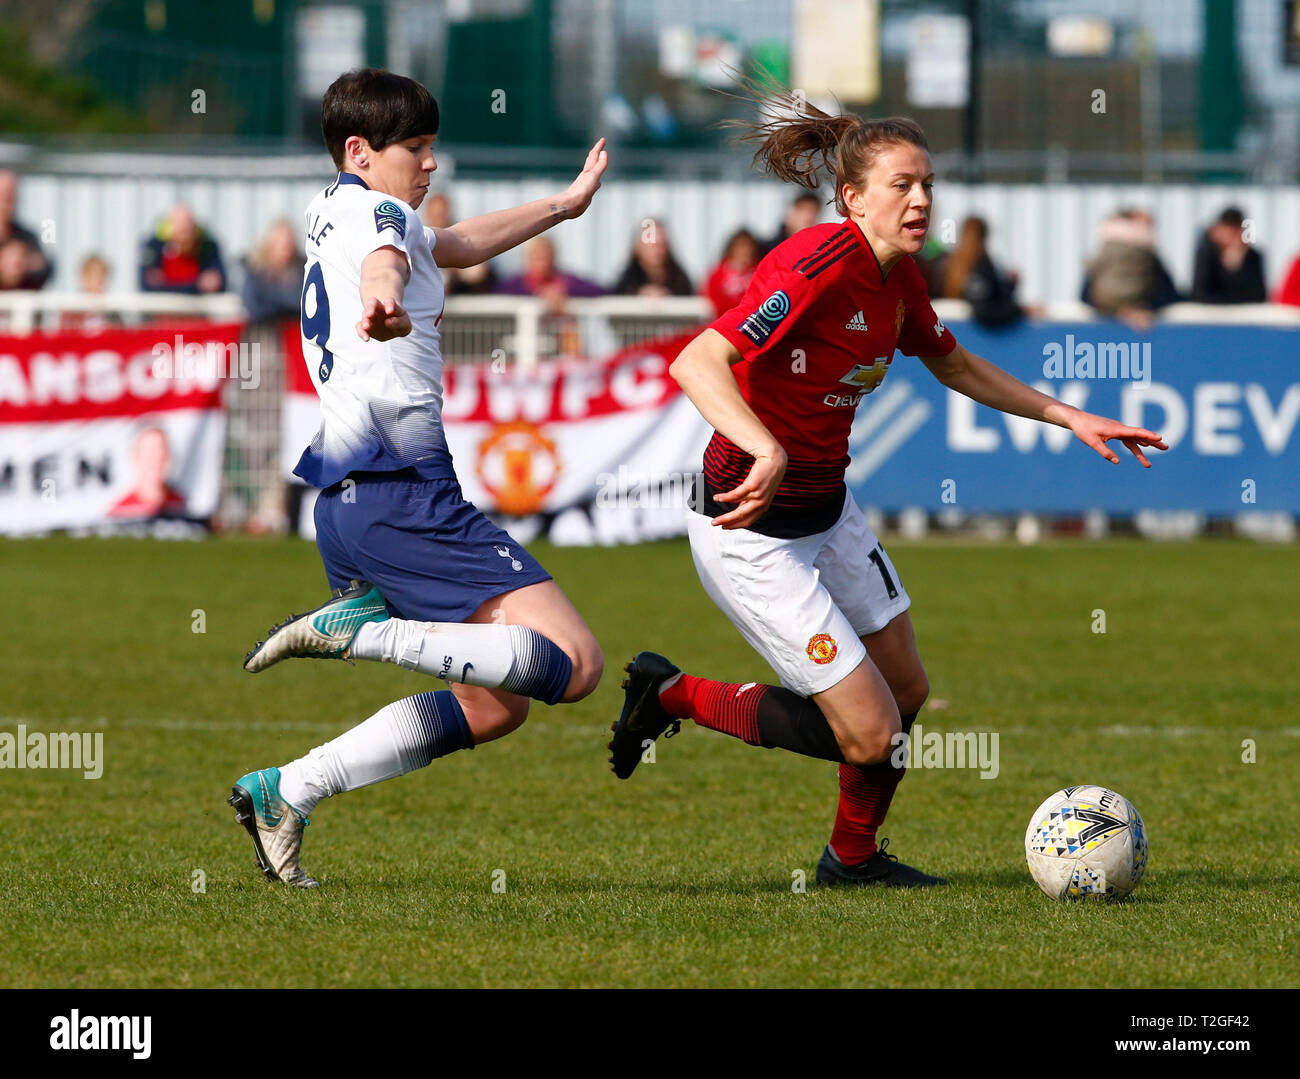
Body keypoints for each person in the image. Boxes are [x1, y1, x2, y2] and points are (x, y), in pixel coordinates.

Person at [608, 86, 1166, 888]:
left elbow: (958, 365)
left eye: (929, 183)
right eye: (902, 184)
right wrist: (760, 443)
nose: (921, 199)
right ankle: (671, 694)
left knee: (906, 691)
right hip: (749, 527)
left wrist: (1071, 416)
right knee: (869, 735)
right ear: (853, 197)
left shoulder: (899, 277)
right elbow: (698, 361)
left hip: (827, 510)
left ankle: (853, 857)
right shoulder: (811, 266)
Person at [229, 68, 607, 887]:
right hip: (402, 490)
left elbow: (450, 245)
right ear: (361, 151)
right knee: (573, 663)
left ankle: (286, 791)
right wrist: (383, 300)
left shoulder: (332, 208)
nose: (431, 164)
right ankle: (364, 633)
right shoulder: (379, 214)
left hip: (353, 497)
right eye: (418, 148)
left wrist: (562, 205)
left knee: (494, 702)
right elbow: (387, 265)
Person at [1080, 209, 1179, 329]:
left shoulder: (1101, 255)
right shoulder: (1147, 257)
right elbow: (1170, 295)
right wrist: (1143, 309)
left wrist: (1115, 310)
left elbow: (1085, 295)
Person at [940, 215, 1025, 327]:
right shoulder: (980, 267)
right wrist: (1020, 311)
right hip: (973, 335)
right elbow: (985, 310)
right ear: (984, 236)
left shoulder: (948, 264)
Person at [139, 204, 226, 294]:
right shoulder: (154, 248)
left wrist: (167, 283)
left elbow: (218, 283)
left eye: (188, 230)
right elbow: (148, 286)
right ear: (169, 230)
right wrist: (197, 286)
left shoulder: (208, 248)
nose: (185, 237)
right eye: (181, 231)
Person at [423, 192, 497, 295]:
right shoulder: (419, 240)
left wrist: (452, 266)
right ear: (427, 214)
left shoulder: (460, 239)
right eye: (435, 214)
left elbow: (477, 273)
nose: (439, 219)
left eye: (441, 214)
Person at [1191, 206, 1266, 304]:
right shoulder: (1206, 254)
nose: (1232, 236)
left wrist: (1237, 266)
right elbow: (1200, 294)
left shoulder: (1252, 256)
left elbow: (1259, 295)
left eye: (1236, 231)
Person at [240, 219, 305, 323]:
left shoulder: (302, 269)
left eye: (289, 243)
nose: (286, 247)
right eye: (281, 243)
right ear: (271, 244)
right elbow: (253, 306)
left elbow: (305, 304)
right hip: (267, 334)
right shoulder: (256, 270)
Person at [611, 218, 693, 297]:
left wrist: (668, 296)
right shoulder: (628, 278)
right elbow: (619, 295)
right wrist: (638, 293)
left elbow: (687, 295)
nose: (657, 247)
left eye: (661, 241)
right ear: (638, 246)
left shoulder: (678, 277)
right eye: (651, 241)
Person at [0, 170, 52, 289]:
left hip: (17, 305)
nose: (6, 200)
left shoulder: (27, 237)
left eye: (10, 194)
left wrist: (24, 263)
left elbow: (45, 268)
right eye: (2, 194)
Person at [702, 228, 760, 317]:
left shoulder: (758, 271)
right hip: (723, 320)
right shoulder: (719, 273)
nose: (745, 250)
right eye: (741, 246)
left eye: (748, 246)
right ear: (731, 248)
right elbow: (713, 298)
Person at [760, 191, 822, 256]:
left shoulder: (819, 251)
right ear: (790, 212)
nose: (808, 216)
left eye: (814, 211)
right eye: (802, 209)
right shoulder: (765, 250)